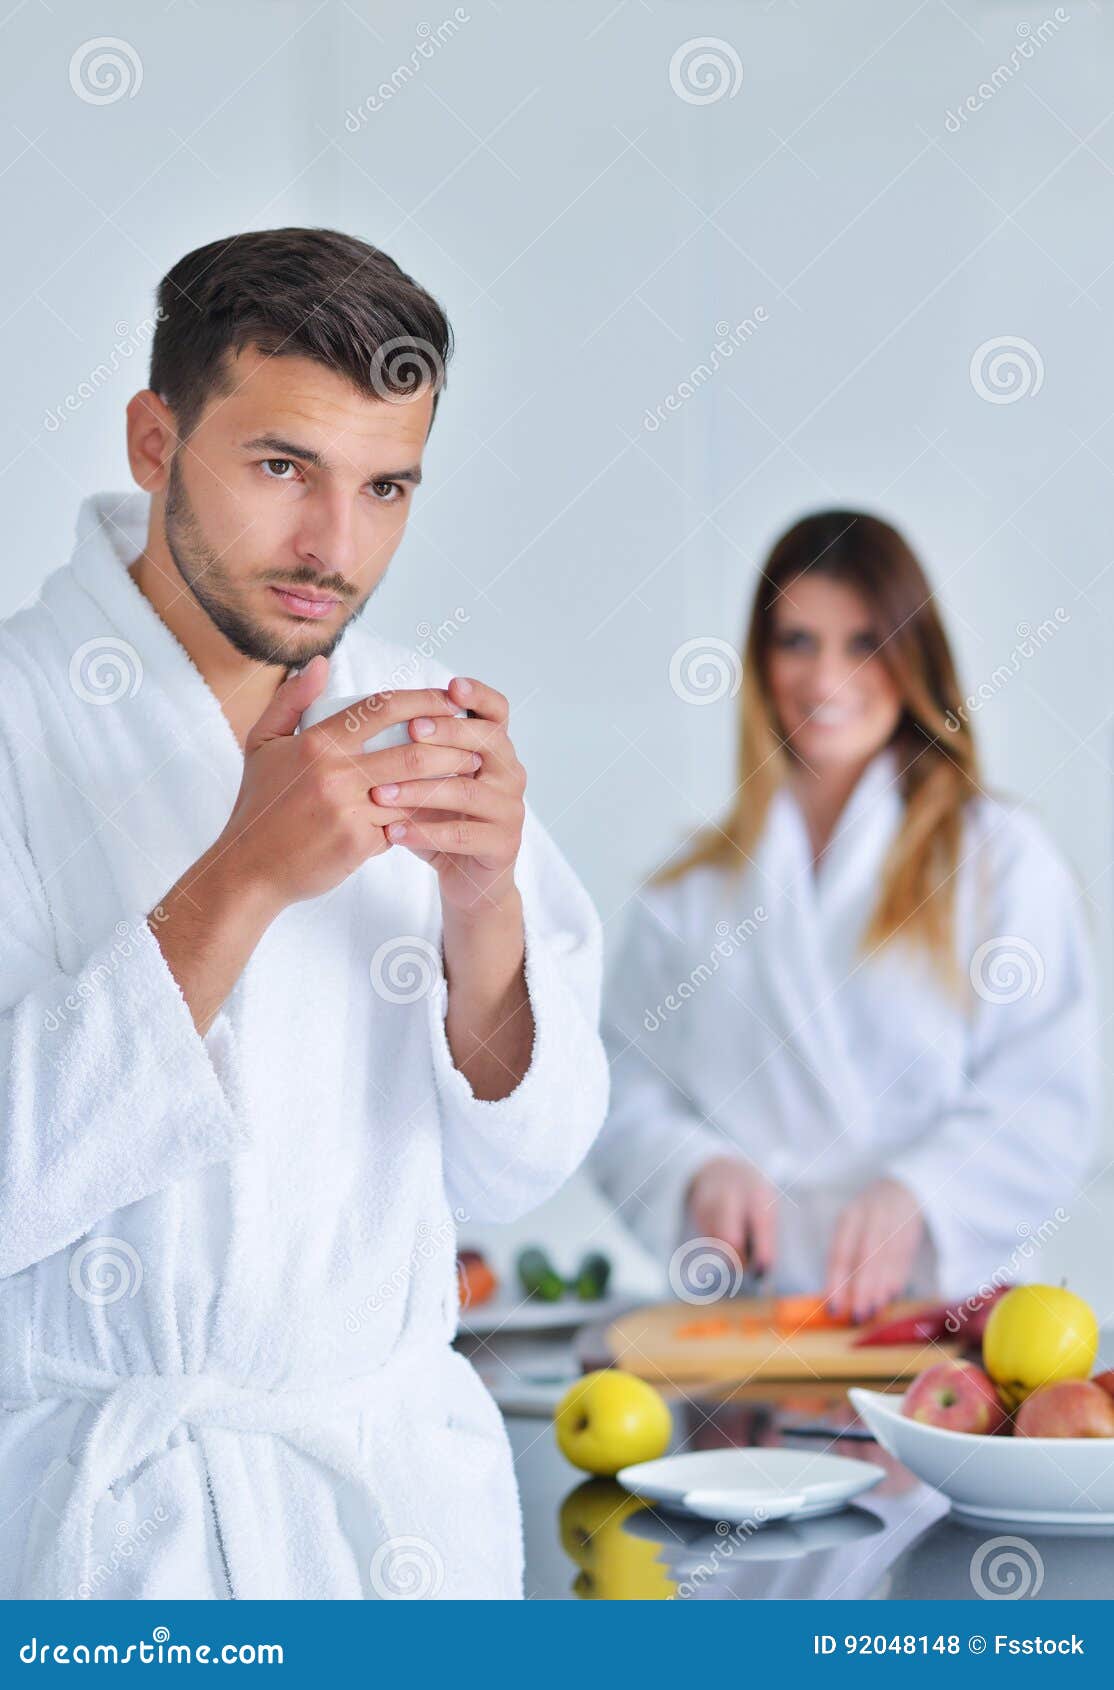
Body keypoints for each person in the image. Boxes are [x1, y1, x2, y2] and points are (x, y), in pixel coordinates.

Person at [0, 228, 608, 1600]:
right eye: (283, 468)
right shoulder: (18, 719)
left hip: (396, 1525)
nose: (335, 546)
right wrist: (244, 876)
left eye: (384, 486)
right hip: (104, 1539)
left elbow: (522, 1171)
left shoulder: (417, 721)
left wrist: (482, 912)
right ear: (155, 440)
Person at [588, 510, 1098, 1319]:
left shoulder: (999, 860)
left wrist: (923, 1192)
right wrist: (692, 1167)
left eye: (864, 642)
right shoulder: (690, 894)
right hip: (745, 1327)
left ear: (914, 655)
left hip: (943, 1322)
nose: (825, 678)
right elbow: (617, 1087)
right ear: (760, 659)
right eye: (797, 641)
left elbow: (1051, 1092)